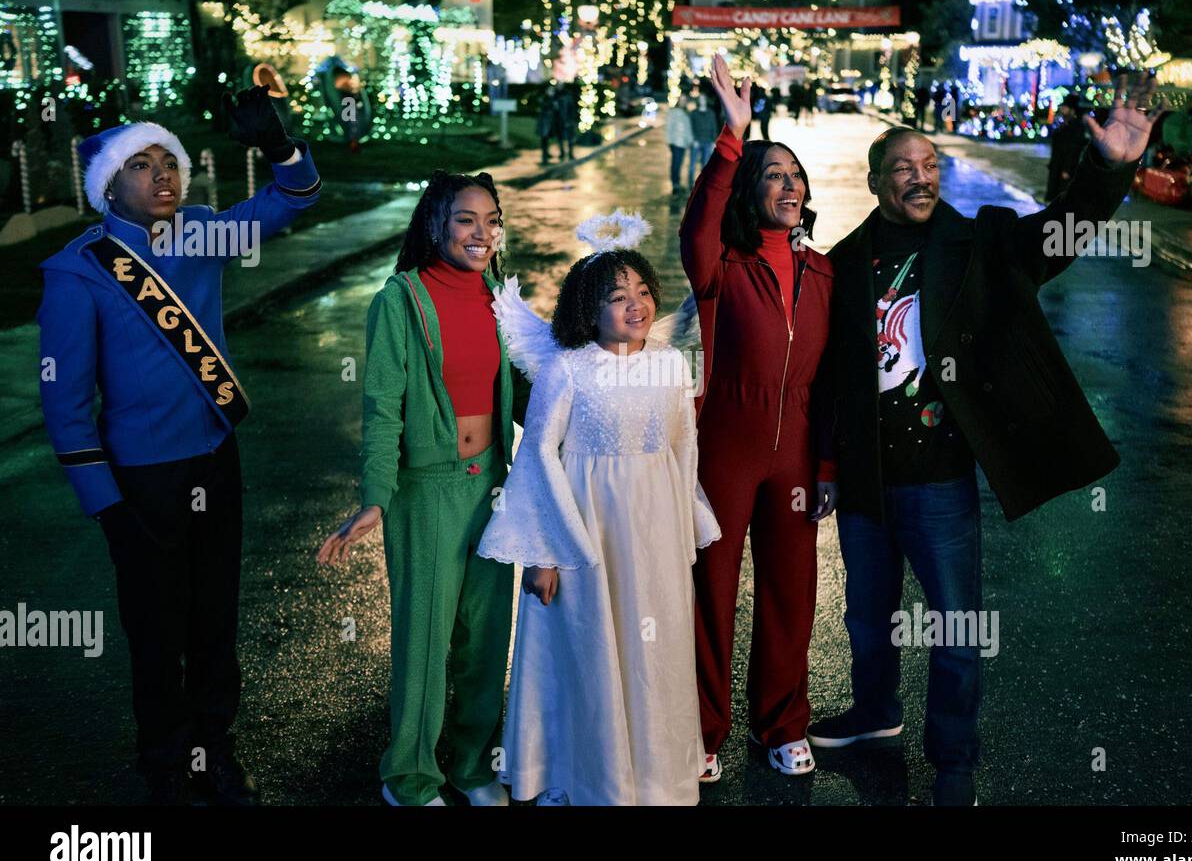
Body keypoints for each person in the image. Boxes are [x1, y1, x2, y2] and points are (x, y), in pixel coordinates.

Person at [812, 72, 1162, 806]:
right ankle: (875, 714)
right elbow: (823, 375)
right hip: (867, 476)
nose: (921, 177)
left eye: (930, 165)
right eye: (903, 167)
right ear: (875, 182)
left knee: (956, 627)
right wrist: (823, 464)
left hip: (940, 479)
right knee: (865, 617)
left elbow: (1060, 234)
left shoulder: (980, 242)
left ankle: (955, 757)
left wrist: (1110, 169)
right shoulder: (841, 264)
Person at [36, 85, 321, 804]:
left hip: (215, 464)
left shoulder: (199, 233)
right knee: (158, 630)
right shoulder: (78, 271)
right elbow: (66, 407)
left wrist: (279, 145)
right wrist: (107, 507)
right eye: (142, 165)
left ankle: (212, 751)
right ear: (110, 187)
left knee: (215, 617)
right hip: (140, 481)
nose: (163, 175)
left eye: (171, 162)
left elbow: (294, 199)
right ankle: (163, 760)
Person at [477, 218, 720, 806]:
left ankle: (655, 775)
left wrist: (685, 523)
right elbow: (536, 453)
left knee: (652, 652)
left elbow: (683, 444)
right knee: (588, 647)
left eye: (641, 292)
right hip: (584, 532)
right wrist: (544, 551)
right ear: (590, 309)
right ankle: (586, 774)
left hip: (655, 530)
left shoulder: (668, 363)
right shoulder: (567, 369)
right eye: (617, 296)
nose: (634, 305)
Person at [316, 171, 531, 807]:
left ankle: (470, 764)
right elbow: (383, 404)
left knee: (486, 639)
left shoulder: (498, 295)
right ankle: (408, 779)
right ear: (436, 224)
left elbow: (522, 390)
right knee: (427, 640)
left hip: (492, 483)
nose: (482, 232)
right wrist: (375, 497)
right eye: (466, 219)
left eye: (491, 220)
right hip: (427, 490)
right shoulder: (400, 300)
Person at [681, 54, 837, 782]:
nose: (790, 186)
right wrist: (731, 138)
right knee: (710, 591)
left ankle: (783, 724)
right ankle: (703, 730)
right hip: (726, 448)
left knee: (790, 592)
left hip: (798, 453)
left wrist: (828, 463)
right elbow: (698, 228)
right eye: (774, 175)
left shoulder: (825, 272)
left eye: (796, 177)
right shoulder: (723, 266)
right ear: (752, 189)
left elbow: (837, 376)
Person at [1046, 94, 1090, 200]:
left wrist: (1067, 169)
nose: (1062, 109)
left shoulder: (1076, 126)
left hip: (1065, 168)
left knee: (1064, 197)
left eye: (1065, 107)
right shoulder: (1064, 123)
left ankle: (1065, 217)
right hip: (1057, 165)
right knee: (1055, 198)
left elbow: (1074, 149)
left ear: (1072, 110)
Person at [665, 96, 693, 193]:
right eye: (681, 101)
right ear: (678, 102)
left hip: (684, 143)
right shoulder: (673, 112)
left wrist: (690, 140)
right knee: (675, 164)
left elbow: (688, 128)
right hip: (676, 143)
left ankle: (677, 183)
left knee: (679, 163)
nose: (683, 103)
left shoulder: (686, 113)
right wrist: (669, 141)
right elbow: (669, 127)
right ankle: (675, 184)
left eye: (684, 101)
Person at [688, 91, 715, 186]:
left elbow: (714, 127)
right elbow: (690, 127)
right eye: (701, 99)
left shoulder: (711, 113)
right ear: (698, 101)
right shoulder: (694, 113)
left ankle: (703, 183)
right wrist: (693, 139)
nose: (702, 101)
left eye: (704, 99)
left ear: (706, 101)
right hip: (696, 142)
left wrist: (713, 141)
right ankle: (690, 183)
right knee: (693, 164)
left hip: (707, 142)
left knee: (705, 164)